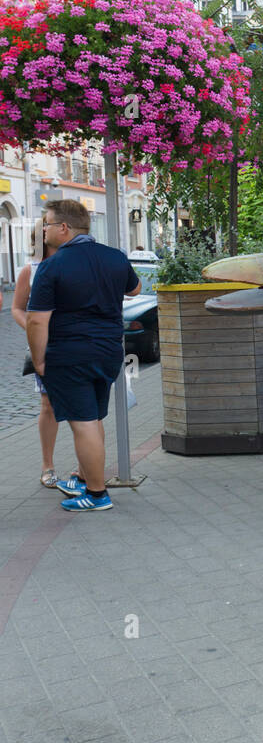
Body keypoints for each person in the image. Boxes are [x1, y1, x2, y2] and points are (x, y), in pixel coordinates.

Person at [26, 200, 141, 512]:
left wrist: (38, 361)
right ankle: (85, 477)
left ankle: (97, 493)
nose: (43, 229)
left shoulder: (53, 266)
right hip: (108, 351)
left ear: (64, 228)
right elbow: (135, 289)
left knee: (83, 423)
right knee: (93, 418)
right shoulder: (115, 257)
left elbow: (37, 320)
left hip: (69, 353)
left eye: (47, 223)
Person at [11, 224, 83, 489]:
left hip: (77, 345)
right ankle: (47, 465)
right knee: (48, 406)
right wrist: (34, 326)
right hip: (45, 348)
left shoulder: (75, 266)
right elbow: (18, 308)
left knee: (83, 406)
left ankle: (85, 466)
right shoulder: (31, 271)